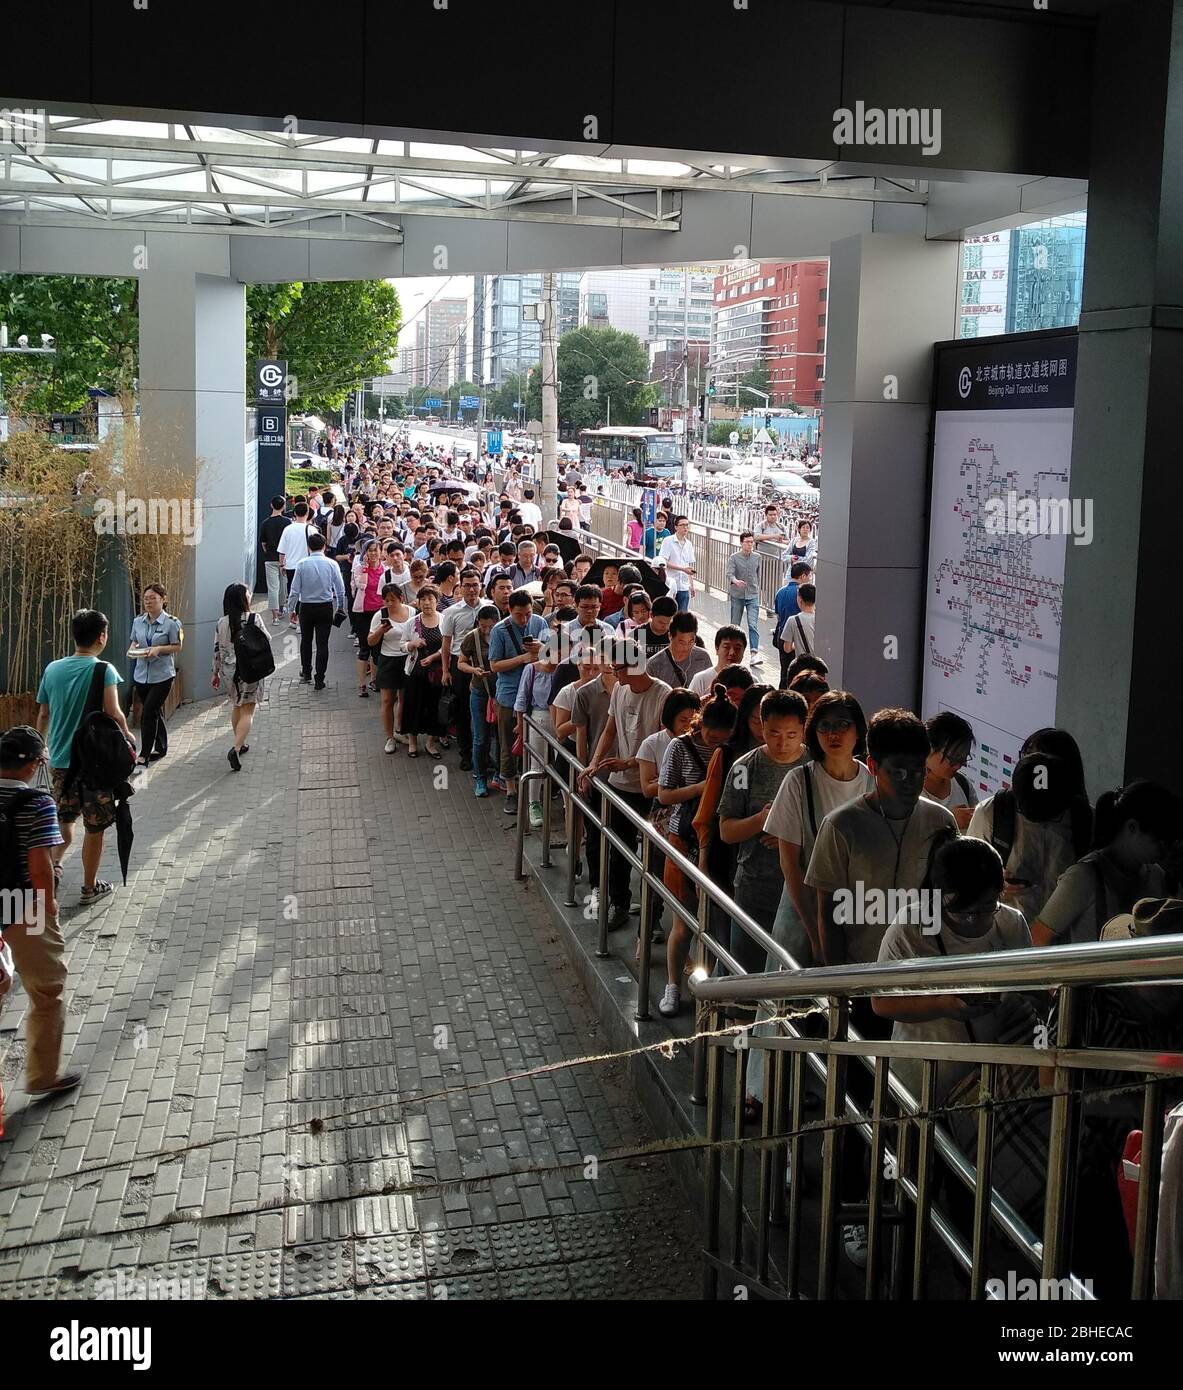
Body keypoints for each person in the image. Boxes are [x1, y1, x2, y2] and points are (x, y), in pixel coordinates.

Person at [806, 707, 957, 1267]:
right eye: (899, 770)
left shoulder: (941, 823)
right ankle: (851, 1207)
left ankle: (903, 1197)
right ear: (873, 765)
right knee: (856, 1104)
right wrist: (836, 981)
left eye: (919, 769)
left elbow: (948, 901)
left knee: (910, 1103)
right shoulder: (843, 826)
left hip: (919, 991)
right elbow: (826, 910)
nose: (912, 780)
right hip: (862, 989)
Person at [35, 609, 135, 904]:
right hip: (94, 764)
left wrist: (42, 746)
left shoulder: (52, 669)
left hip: (61, 762)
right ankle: (89, 888)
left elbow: (43, 713)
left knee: (65, 818)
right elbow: (114, 713)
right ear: (101, 637)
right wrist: (129, 737)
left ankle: (53, 865)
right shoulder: (104, 670)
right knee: (95, 827)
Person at [0, 725, 78, 1098]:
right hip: (19, 901)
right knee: (47, 988)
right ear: (32, 765)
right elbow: (39, 865)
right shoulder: (37, 804)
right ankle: (41, 1076)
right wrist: (47, 905)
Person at [656, 687, 736, 1016]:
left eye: (721, 738)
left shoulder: (735, 753)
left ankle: (712, 992)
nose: (714, 742)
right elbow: (664, 794)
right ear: (700, 725)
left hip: (719, 847)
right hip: (683, 840)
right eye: (709, 735)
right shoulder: (680, 747)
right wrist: (704, 788)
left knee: (718, 928)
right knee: (683, 922)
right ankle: (673, 985)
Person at [582, 641, 671, 930]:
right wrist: (595, 762)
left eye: (617, 668)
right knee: (618, 850)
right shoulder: (619, 690)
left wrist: (630, 763)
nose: (613, 674)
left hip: (652, 786)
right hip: (621, 785)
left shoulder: (662, 695)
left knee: (655, 856)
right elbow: (609, 730)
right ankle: (619, 904)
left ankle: (653, 918)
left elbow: (662, 744)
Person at [966, 727, 1092, 926]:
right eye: (1028, 757)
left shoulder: (1084, 819)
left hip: (1065, 943)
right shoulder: (995, 812)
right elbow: (965, 877)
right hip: (1004, 937)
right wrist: (991, 884)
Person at [1031, 781, 1183, 946]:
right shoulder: (1084, 877)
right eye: (1161, 842)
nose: (1166, 850)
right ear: (1132, 827)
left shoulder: (1156, 875)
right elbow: (1039, 938)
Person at [488, 590, 549, 815]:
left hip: (537, 694)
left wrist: (541, 650)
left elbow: (553, 655)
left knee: (536, 745)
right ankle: (511, 789)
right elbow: (494, 665)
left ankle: (535, 790)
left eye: (528, 614)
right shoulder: (499, 630)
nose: (524, 620)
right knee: (508, 742)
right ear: (509, 611)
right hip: (509, 694)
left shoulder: (540, 622)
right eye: (519, 615)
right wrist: (523, 659)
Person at [212, 584, 268, 771]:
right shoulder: (254, 618)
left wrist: (215, 672)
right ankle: (236, 748)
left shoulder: (221, 622)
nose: (251, 595)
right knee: (248, 711)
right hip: (250, 669)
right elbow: (266, 639)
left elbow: (217, 649)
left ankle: (240, 742)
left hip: (228, 671)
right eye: (248, 593)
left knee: (236, 704)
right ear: (243, 599)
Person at [128, 584, 183, 766]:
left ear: (163, 600)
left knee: (148, 712)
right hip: (142, 674)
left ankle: (143, 754)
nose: (148, 602)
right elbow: (135, 641)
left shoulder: (172, 623)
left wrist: (159, 649)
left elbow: (177, 646)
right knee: (154, 711)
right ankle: (161, 746)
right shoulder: (138, 621)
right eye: (146, 598)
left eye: (153, 598)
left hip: (162, 676)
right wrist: (132, 649)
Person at [284, 531, 347, 691]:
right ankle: (320, 678)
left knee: (306, 641)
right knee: (322, 643)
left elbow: (294, 590)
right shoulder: (332, 564)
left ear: (308, 547)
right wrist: (340, 607)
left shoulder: (302, 564)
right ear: (325, 546)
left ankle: (306, 672)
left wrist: (291, 609)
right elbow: (340, 589)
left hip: (306, 607)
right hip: (325, 606)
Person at [440, 567, 484, 773]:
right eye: (467, 585)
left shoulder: (489, 609)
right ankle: (466, 753)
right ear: (461, 587)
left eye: (475, 585)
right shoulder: (451, 612)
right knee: (463, 711)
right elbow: (446, 644)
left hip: (484, 664)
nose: (471, 589)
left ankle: (483, 754)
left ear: (481, 585)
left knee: (484, 710)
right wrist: (445, 670)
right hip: (460, 665)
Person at [458, 604, 502, 799]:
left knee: (502, 736)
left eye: (490, 626)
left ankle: (501, 773)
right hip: (480, 691)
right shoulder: (472, 637)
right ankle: (480, 778)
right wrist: (474, 670)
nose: (486, 630)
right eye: (482, 626)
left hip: (502, 691)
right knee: (480, 737)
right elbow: (461, 662)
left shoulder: (503, 634)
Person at [368, 583, 415, 754]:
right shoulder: (380, 616)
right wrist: (381, 630)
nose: (389, 604)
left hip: (408, 659)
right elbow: (370, 641)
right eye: (386, 600)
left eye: (393, 600)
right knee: (388, 700)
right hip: (388, 660)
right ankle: (389, 738)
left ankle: (399, 730)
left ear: (401, 598)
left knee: (404, 698)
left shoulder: (411, 612)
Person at [923, 711, 977, 831]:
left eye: (963, 759)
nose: (958, 766)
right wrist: (949, 821)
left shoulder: (963, 784)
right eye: (953, 759)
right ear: (929, 748)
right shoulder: (907, 791)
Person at [647, 611, 713, 689]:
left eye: (691, 641)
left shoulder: (703, 657)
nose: (686, 647)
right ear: (670, 636)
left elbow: (710, 688)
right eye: (682, 643)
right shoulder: (655, 664)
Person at [277, 502, 318, 627]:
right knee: (305, 594)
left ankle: (292, 618)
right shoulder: (312, 529)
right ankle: (301, 621)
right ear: (307, 513)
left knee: (292, 592)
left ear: (294, 513)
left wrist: (281, 565)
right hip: (307, 566)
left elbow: (282, 550)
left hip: (291, 566)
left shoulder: (288, 529)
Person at [726, 532, 763, 663]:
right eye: (747, 542)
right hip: (737, 594)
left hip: (753, 594)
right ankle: (731, 650)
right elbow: (729, 574)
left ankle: (754, 653)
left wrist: (759, 588)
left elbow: (759, 575)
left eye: (752, 542)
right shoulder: (734, 557)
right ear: (741, 543)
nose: (750, 544)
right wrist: (735, 581)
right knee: (735, 624)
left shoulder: (757, 557)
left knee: (753, 624)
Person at [774, 562, 812, 688]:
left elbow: (778, 615)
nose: (810, 579)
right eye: (809, 576)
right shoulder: (802, 594)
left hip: (782, 636)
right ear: (802, 576)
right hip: (796, 641)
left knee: (784, 672)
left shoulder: (780, 592)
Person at [689, 625, 748, 697]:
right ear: (717, 649)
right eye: (726, 647)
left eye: (737, 648)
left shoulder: (751, 682)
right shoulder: (701, 680)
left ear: (744, 651)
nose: (732, 652)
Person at [258, 495, 291, 624]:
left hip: (270, 558)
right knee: (283, 585)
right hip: (285, 559)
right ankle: (282, 609)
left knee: (273, 588)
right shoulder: (288, 522)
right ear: (283, 506)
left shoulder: (265, 523)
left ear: (271, 505)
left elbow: (263, 543)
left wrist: (268, 552)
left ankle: (274, 616)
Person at [658, 515, 697, 612]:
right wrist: (682, 569)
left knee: (682, 617)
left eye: (687, 525)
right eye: (682, 525)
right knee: (669, 614)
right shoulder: (668, 541)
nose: (685, 527)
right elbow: (663, 562)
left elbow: (688, 566)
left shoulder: (689, 544)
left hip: (684, 586)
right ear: (675, 527)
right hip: (670, 585)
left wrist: (692, 585)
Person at [777, 582, 816, 664]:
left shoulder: (793, 620)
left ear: (800, 599)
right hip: (818, 665)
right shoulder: (821, 619)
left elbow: (787, 648)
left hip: (802, 666)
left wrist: (797, 645)